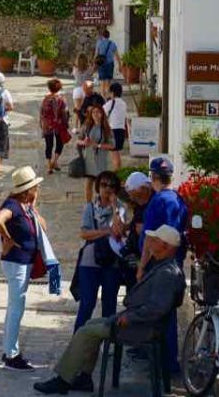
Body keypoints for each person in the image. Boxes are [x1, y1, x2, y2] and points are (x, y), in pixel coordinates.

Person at [33, 226, 185, 395]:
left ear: (165, 246)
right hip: (140, 323)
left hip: (140, 327)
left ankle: (62, 381)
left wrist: (131, 317)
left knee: (86, 332)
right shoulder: (163, 266)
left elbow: (157, 308)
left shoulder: (167, 273)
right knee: (90, 325)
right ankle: (83, 378)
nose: (150, 243)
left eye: (155, 240)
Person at [0, 166, 46, 371]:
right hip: (16, 262)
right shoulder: (13, 206)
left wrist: (34, 205)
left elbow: (43, 226)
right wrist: (7, 238)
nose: (38, 189)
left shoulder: (25, 207)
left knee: (14, 308)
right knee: (16, 309)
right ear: (27, 190)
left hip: (23, 262)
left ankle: (9, 349)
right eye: (35, 187)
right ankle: (12, 354)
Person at [139, 156, 187, 374]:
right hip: (174, 263)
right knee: (168, 313)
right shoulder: (179, 199)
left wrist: (141, 266)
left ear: (154, 177)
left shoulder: (157, 201)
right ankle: (170, 360)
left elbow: (150, 239)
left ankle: (162, 362)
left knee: (156, 312)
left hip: (158, 264)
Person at [73, 170, 124, 331]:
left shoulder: (120, 209)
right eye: (103, 184)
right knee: (87, 304)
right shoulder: (90, 208)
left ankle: (108, 345)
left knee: (109, 306)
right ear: (98, 187)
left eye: (111, 185)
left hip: (112, 262)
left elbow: (119, 231)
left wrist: (115, 206)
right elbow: (84, 233)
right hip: (90, 261)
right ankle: (78, 343)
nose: (107, 189)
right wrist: (106, 231)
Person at [76, 103, 114, 204]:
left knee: (102, 184)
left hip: (101, 161)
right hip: (89, 159)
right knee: (89, 183)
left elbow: (112, 145)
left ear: (102, 114)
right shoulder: (87, 126)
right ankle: (89, 205)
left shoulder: (106, 128)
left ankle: (103, 203)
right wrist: (84, 142)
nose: (95, 114)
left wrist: (97, 145)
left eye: (98, 112)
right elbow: (78, 141)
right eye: (93, 112)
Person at [39, 78, 70, 175]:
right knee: (59, 144)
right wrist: (66, 123)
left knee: (49, 145)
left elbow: (42, 113)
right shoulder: (61, 100)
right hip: (59, 125)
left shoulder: (45, 99)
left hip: (47, 125)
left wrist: (42, 123)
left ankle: (49, 165)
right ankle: (55, 161)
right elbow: (65, 113)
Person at [103, 82, 129, 170]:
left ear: (113, 93)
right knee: (117, 153)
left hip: (113, 130)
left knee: (114, 154)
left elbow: (102, 112)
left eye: (110, 92)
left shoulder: (111, 103)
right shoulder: (123, 103)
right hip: (121, 130)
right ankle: (119, 171)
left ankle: (116, 172)